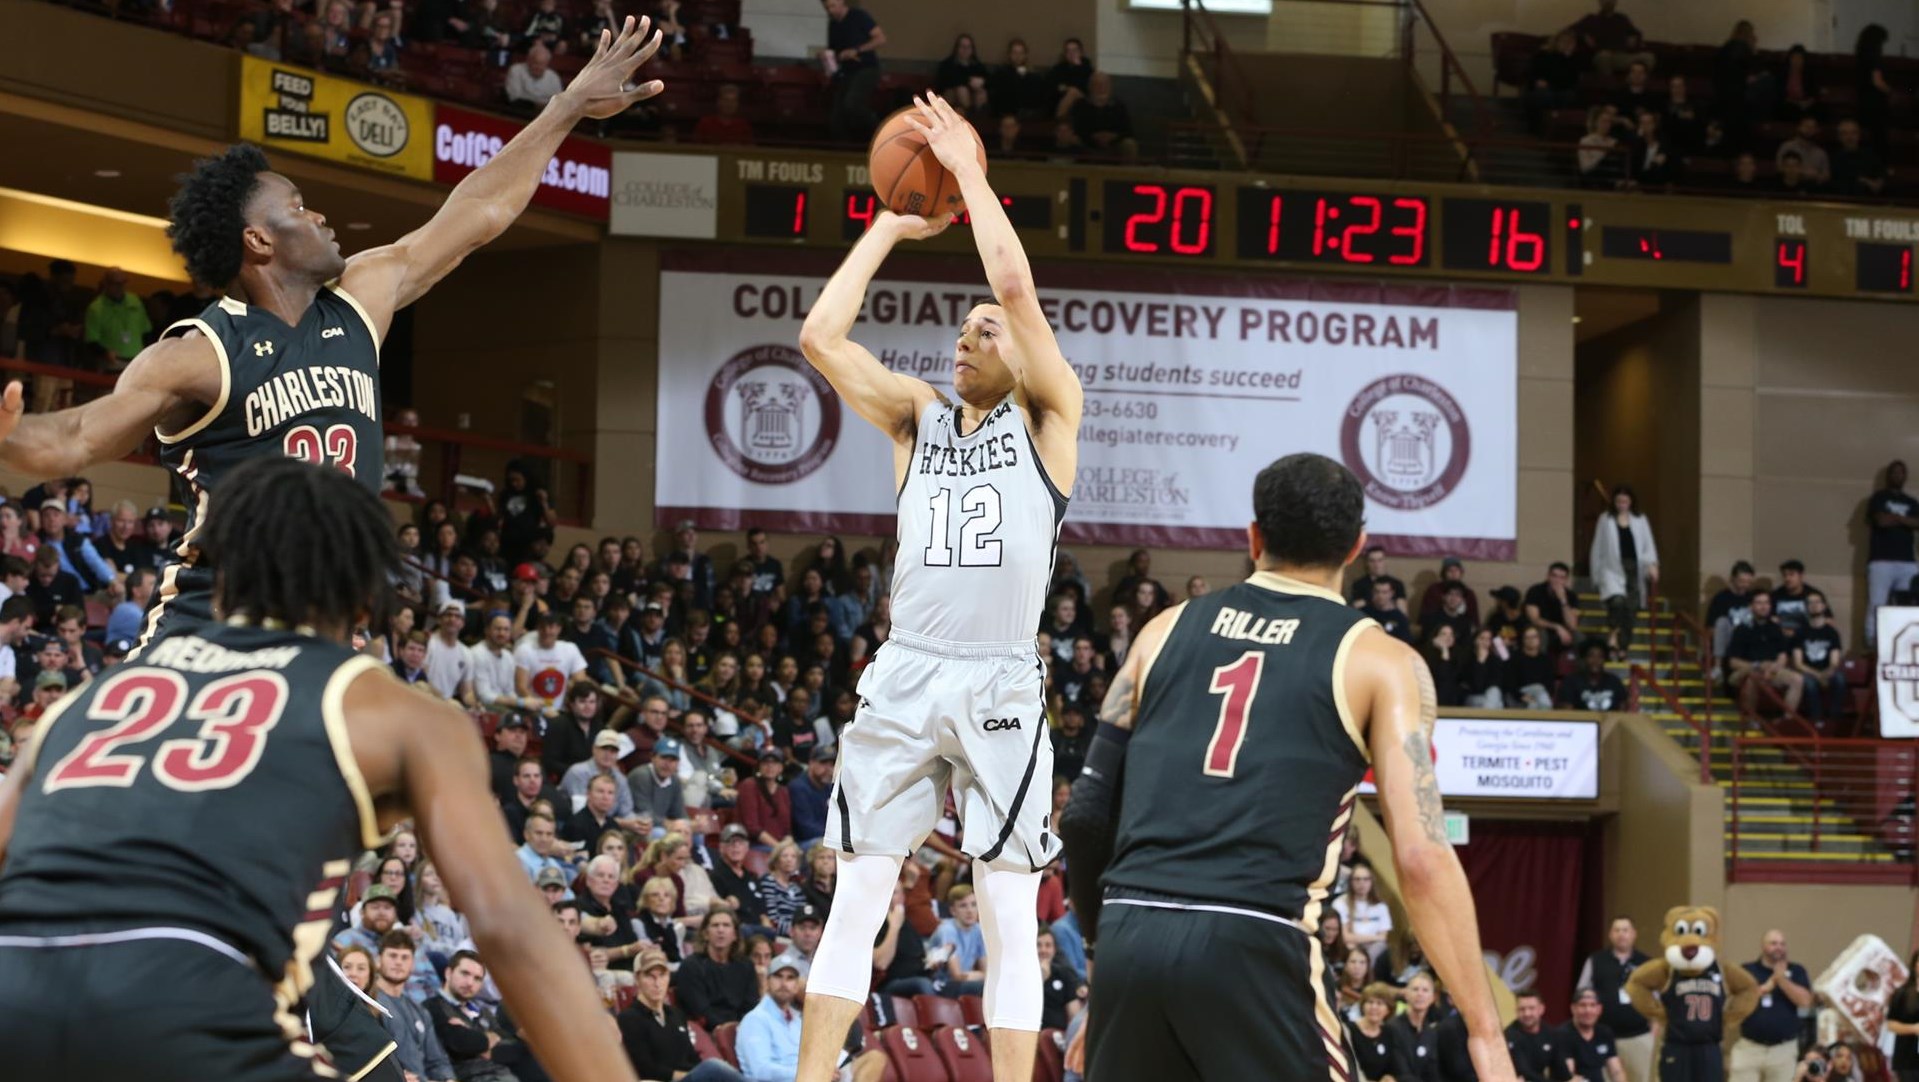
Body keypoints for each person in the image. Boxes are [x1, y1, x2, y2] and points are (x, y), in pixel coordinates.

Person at [0, 22, 666, 671]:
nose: (319, 217)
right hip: (211, 632)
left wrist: (567, 105)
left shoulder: (358, 302)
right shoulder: (200, 350)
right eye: (297, 208)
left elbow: (479, 213)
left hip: (326, 634)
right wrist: (9, 433)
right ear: (258, 241)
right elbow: (79, 438)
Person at [0, 458, 639, 1081]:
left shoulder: (94, 698)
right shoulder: (389, 706)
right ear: (365, 595)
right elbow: (509, 926)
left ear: (220, 579)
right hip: (186, 999)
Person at [1059, 453, 1516, 1082]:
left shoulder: (1161, 631)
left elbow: (1084, 817)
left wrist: (1100, 961)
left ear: (1254, 537)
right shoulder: (1381, 661)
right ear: (1357, 546)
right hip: (1256, 943)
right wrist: (1486, 1033)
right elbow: (1421, 858)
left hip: (1131, 933)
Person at [795, 92, 1082, 1082]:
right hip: (907, 668)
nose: (965, 337)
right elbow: (820, 340)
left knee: (1005, 905)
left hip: (999, 676)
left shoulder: (1050, 416)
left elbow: (1013, 282)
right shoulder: (915, 417)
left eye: (985, 331)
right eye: (959, 328)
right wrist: (887, 223)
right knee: (856, 892)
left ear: (1023, 355)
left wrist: (967, 174)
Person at [619, 948, 745, 1082]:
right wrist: (693, 1075)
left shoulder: (676, 1014)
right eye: (650, 976)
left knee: (716, 1068)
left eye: (662, 975)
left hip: (692, 1077)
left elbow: (692, 1058)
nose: (657, 983)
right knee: (713, 1067)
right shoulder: (629, 1018)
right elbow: (645, 1069)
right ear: (637, 979)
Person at [1576, 917, 1653, 1082]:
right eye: (1617, 930)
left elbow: (1657, 1000)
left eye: (1625, 930)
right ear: (1610, 935)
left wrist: (1654, 1031)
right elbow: (1582, 993)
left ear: (1633, 934)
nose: (1621, 935)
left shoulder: (1646, 963)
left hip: (1639, 1036)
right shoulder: (1596, 960)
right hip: (1604, 1035)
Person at [373, 932, 457, 1082]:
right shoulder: (370, 1004)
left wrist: (448, 1079)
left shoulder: (421, 1012)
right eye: (393, 956)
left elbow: (437, 1060)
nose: (399, 962)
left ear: (412, 964)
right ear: (379, 960)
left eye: (405, 957)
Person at [1731, 930, 1811, 1082]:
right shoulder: (1747, 970)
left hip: (1783, 1049)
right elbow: (1736, 1002)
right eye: (1773, 943)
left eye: (1782, 944)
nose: (1779, 947)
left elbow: (1805, 1001)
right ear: (1763, 946)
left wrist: (1780, 979)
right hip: (1749, 1047)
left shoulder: (1796, 970)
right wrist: (1764, 988)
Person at [1591, 486, 1658, 658]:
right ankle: (1613, 633)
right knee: (1617, 602)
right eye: (1619, 501)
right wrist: (1596, 574)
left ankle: (1623, 646)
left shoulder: (1640, 519)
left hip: (1634, 568)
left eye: (1625, 501)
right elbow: (1597, 546)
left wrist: (1652, 564)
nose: (1622, 504)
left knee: (1630, 609)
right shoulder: (1605, 519)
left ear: (1631, 502)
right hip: (1612, 568)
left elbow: (1648, 545)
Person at [1728, 592, 1804, 715]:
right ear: (1751, 606)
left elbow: (1783, 654)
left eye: (1766, 603)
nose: (1763, 606)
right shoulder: (1741, 629)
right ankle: (1750, 721)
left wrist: (1774, 668)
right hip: (1749, 669)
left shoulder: (1776, 628)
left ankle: (1787, 721)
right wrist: (1758, 666)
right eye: (1759, 603)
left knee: (1797, 679)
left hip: (1772, 669)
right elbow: (1733, 662)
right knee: (1753, 678)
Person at [1867, 462, 1917, 649]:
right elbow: (1880, 521)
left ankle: (1905, 645)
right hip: (1881, 561)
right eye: (1894, 472)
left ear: (1906, 476)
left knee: (1907, 606)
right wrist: (1905, 520)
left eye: (1901, 472)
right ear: (1888, 475)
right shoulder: (1878, 497)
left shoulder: (1912, 502)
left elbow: (1917, 523)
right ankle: (1872, 645)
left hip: (1908, 562)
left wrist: (1894, 517)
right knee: (1877, 604)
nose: (1898, 475)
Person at [822, 0, 884, 143]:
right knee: (836, 117)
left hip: (866, 68)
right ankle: (844, 151)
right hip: (847, 72)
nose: (831, 10)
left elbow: (880, 38)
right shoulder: (833, 24)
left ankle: (878, 130)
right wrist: (827, 56)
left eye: (833, 6)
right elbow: (834, 51)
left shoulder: (859, 16)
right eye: (827, 8)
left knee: (853, 103)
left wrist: (856, 50)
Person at [1792, 594, 1847, 724]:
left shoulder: (1832, 633)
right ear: (1806, 608)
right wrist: (1818, 675)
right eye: (1810, 603)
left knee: (1840, 679)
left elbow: (1834, 662)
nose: (1814, 605)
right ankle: (1816, 720)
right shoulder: (1800, 632)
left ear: (1824, 606)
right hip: (1807, 671)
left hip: (1826, 670)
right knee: (1810, 684)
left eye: (1817, 602)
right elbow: (1798, 663)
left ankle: (1834, 719)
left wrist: (1827, 673)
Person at [1564, 988, 1627, 1082]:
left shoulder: (1605, 1033)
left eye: (1592, 1005)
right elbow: (1569, 1075)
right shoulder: (1563, 1035)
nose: (1588, 1010)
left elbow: (1616, 1071)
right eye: (1582, 1005)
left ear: (1599, 1009)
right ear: (1573, 1008)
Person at [1506, 990, 1568, 1082]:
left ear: (1541, 1009)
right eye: (1522, 1009)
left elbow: (1562, 1070)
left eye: (1531, 1008)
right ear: (1516, 1010)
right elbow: (1525, 1073)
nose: (1527, 1013)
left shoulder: (1551, 1033)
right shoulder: (1509, 1036)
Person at [1348, 983, 1402, 1082]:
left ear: (1388, 1009)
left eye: (1379, 1003)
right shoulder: (1349, 1030)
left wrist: (1390, 1078)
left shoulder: (1389, 1032)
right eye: (1370, 1002)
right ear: (1363, 1006)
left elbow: (1394, 1066)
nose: (1374, 1007)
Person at [1526, 563, 1583, 656]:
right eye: (1554, 576)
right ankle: (1542, 667)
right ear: (1548, 576)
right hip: (1542, 628)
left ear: (1566, 580)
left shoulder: (1571, 596)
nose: (1557, 581)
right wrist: (1557, 627)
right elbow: (1534, 619)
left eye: (1561, 578)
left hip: (1563, 631)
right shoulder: (1535, 591)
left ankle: (1578, 668)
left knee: (1579, 637)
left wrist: (1563, 601)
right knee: (1541, 635)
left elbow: (1572, 625)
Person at [1558, 639, 1629, 712]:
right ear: (1584, 659)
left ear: (1604, 659)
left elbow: (1622, 711)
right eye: (1591, 656)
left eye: (1600, 656)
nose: (1595, 660)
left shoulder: (1614, 682)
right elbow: (1566, 713)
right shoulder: (1571, 682)